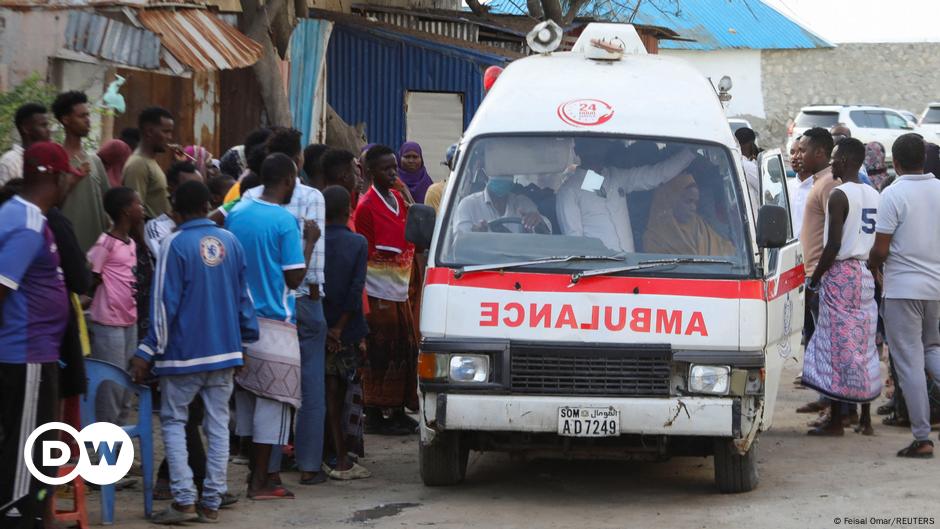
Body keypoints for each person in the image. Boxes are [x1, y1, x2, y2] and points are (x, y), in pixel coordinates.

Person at [131, 180, 258, 523]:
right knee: (217, 425)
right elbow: (244, 298)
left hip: (183, 353)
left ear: (175, 211)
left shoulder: (174, 244)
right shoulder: (230, 242)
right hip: (225, 350)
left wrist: (147, 350)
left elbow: (163, 305)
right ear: (207, 206)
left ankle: (185, 498)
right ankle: (212, 500)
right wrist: (245, 342)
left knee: (174, 421)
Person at [238, 127, 327, 485]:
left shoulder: (245, 200)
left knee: (260, 387)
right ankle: (307, 466)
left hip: (250, 306)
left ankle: (265, 466)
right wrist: (309, 245)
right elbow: (306, 268)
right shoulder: (309, 198)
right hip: (298, 301)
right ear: (296, 163)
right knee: (308, 387)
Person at [226, 153, 314, 499]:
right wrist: (310, 241)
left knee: (247, 401)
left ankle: (259, 474)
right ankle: (261, 480)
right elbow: (294, 278)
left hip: (238, 319)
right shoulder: (283, 220)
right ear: (289, 180)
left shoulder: (237, 211)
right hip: (275, 321)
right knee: (277, 403)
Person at [0, 142, 75, 529]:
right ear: (55, 177)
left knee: (36, 445)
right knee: (27, 450)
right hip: (26, 352)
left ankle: (27, 514)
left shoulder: (19, 214)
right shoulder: (28, 223)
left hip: (36, 352)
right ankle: (16, 518)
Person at [800, 138, 881, 436]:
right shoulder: (874, 194)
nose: (832, 163)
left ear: (846, 160)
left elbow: (833, 245)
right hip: (864, 274)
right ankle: (865, 418)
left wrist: (816, 279)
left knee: (836, 347)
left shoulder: (839, 195)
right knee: (862, 344)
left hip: (840, 273)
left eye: (835, 158)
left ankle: (835, 420)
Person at [869, 133, 940, 458]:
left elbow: (881, 249)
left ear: (894, 163)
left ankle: (922, 437)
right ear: (923, 160)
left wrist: (873, 266)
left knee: (909, 361)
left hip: (902, 290)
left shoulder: (893, 194)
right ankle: (922, 433)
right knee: (931, 349)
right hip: (935, 288)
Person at [355, 145, 419, 435]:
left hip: (400, 286)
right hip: (379, 290)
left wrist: (408, 198)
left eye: (394, 167)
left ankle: (395, 409)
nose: (393, 173)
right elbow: (367, 251)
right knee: (381, 352)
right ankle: (374, 412)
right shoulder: (367, 206)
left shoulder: (397, 199)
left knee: (403, 350)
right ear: (370, 173)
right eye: (386, 169)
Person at [556, 139, 695, 253]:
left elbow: (657, 175)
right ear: (578, 150)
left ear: (606, 147)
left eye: (600, 144)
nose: (596, 149)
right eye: (589, 145)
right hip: (597, 273)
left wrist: (690, 153)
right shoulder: (569, 191)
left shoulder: (617, 178)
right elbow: (575, 242)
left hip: (630, 269)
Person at [321, 185, 371, 480]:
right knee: (340, 395)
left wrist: (329, 329)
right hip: (346, 329)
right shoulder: (357, 243)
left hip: (320, 326)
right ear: (348, 211)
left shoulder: (311, 240)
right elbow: (355, 292)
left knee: (327, 393)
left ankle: (330, 454)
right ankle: (341, 459)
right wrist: (340, 329)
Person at [794, 128, 844, 417]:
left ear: (821, 153)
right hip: (808, 271)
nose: (799, 156)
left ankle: (833, 403)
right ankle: (824, 396)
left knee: (824, 340)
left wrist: (819, 273)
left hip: (820, 272)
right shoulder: (813, 183)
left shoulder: (827, 184)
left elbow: (833, 234)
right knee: (814, 337)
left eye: (805, 151)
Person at [52, 91, 110, 253]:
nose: (88, 120)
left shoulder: (95, 161)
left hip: (96, 254)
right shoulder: (55, 160)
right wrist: (71, 180)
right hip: (67, 251)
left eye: (88, 115)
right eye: (81, 116)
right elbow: (49, 206)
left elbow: (107, 204)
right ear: (66, 120)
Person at [642, 172, 735, 256]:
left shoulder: (699, 224)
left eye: (695, 203)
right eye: (688, 201)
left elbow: (725, 249)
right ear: (671, 200)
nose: (693, 208)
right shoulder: (654, 237)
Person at [453, 174, 550, 234]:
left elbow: (547, 233)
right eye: (498, 172)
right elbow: (459, 244)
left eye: (507, 173)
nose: (503, 176)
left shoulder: (524, 203)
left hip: (522, 264)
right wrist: (475, 237)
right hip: (481, 265)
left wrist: (538, 222)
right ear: (487, 174)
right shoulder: (468, 205)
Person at [144, 161, 203, 260]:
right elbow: (169, 261)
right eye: (190, 188)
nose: (197, 194)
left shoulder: (211, 225)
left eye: (200, 188)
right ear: (171, 189)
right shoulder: (156, 228)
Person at [123, 107, 175, 219]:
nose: (169, 137)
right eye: (166, 132)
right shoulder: (138, 164)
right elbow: (134, 212)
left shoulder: (149, 162)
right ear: (149, 132)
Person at [0, 103, 51, 186]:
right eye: (43, 125)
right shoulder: (10, 162)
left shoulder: (49, 158)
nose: (48, 130)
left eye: (47, 125)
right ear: (25, 129)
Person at [787, 135, 814, 235]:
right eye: (792, 152)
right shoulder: (787, 187)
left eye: (800, 152)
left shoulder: (821, 187)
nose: (794, 157)